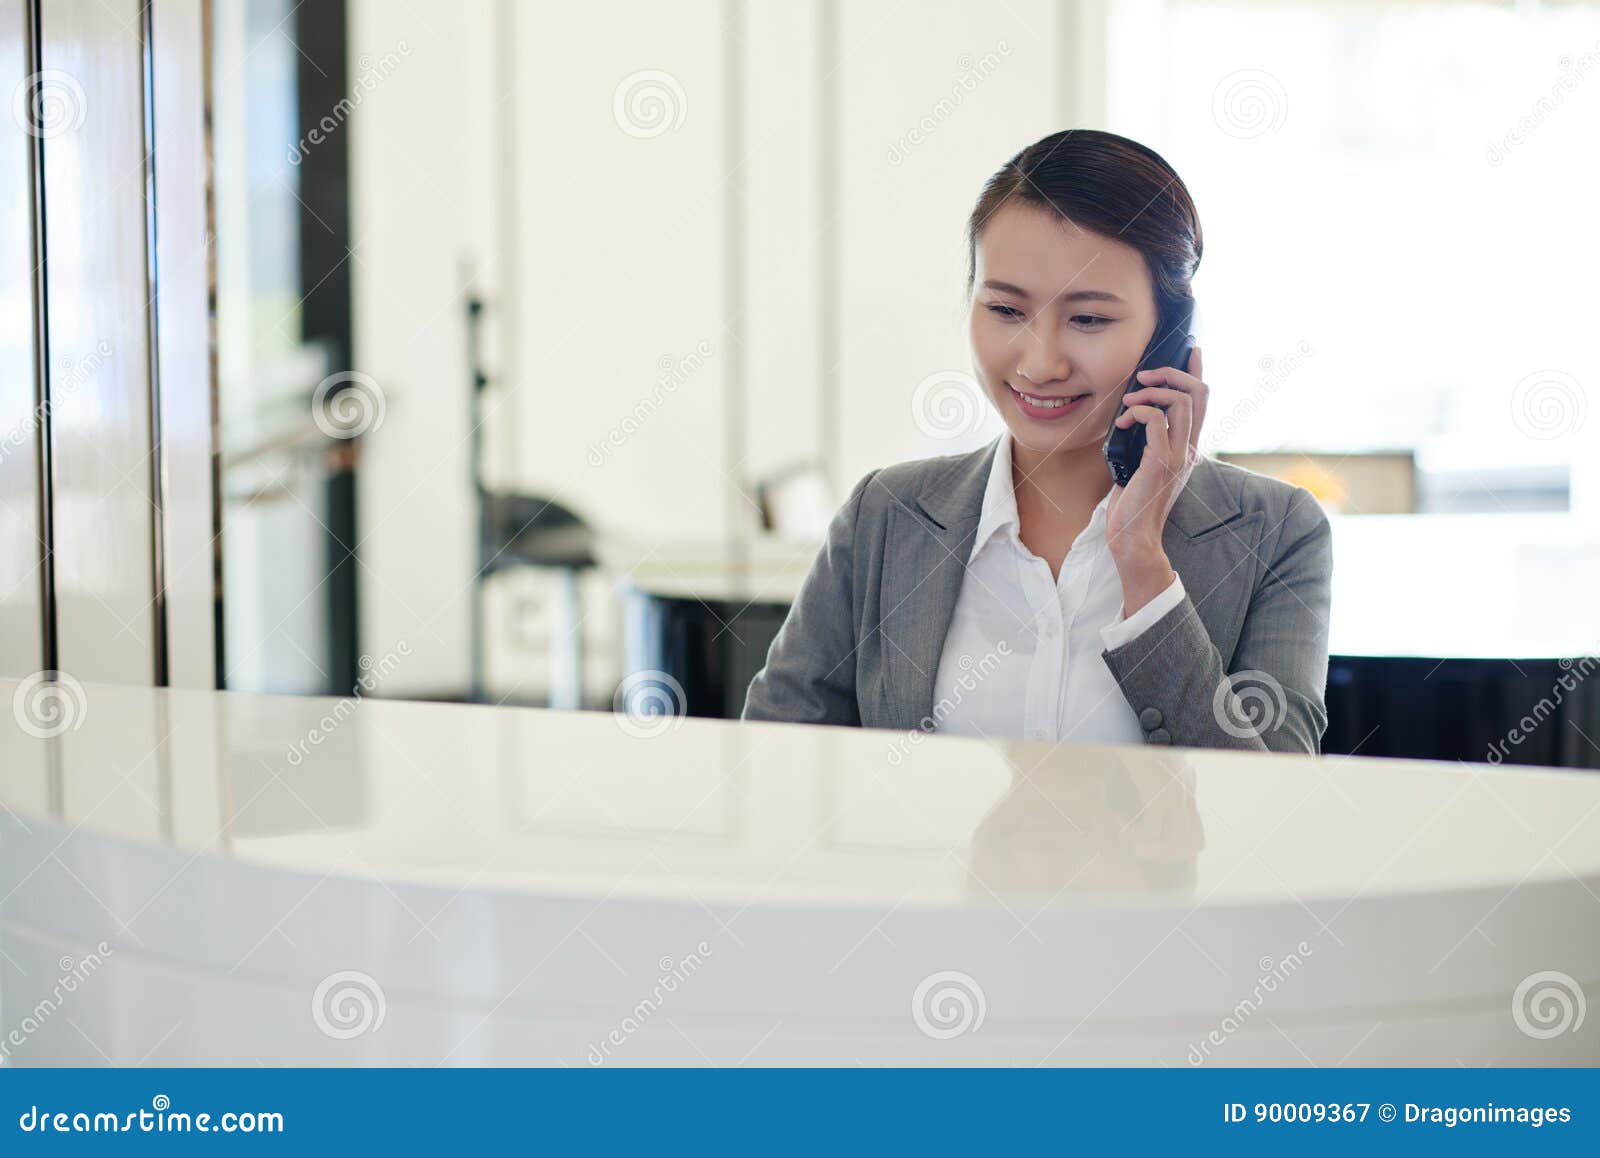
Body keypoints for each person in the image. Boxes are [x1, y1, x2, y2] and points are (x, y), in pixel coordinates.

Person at [742, 129, 1331, 753]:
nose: (1040, 363)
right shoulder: (885, 515)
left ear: (1173, 337)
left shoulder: (1277, 532)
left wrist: (1141, 563)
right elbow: (776, 764)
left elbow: (1266, 801)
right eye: (1005, 310)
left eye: (1089, 319)